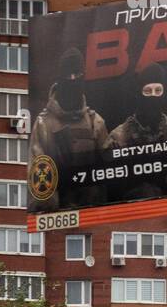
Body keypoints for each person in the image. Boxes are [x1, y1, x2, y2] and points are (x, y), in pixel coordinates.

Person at [27, 48, 109, 211]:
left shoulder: (95, 122)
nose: (73, 80)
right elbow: (37, 178)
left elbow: (110, 172)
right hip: (58, 213)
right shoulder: (44, 124)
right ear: (60, 79)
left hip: (91, 212)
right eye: (68, 75)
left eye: (77, 75)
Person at [106, 63, 167, 200]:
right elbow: (112, 188)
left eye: (158, 90)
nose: (153, 96)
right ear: (139, 93)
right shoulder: (119, 136)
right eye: (148, 91)